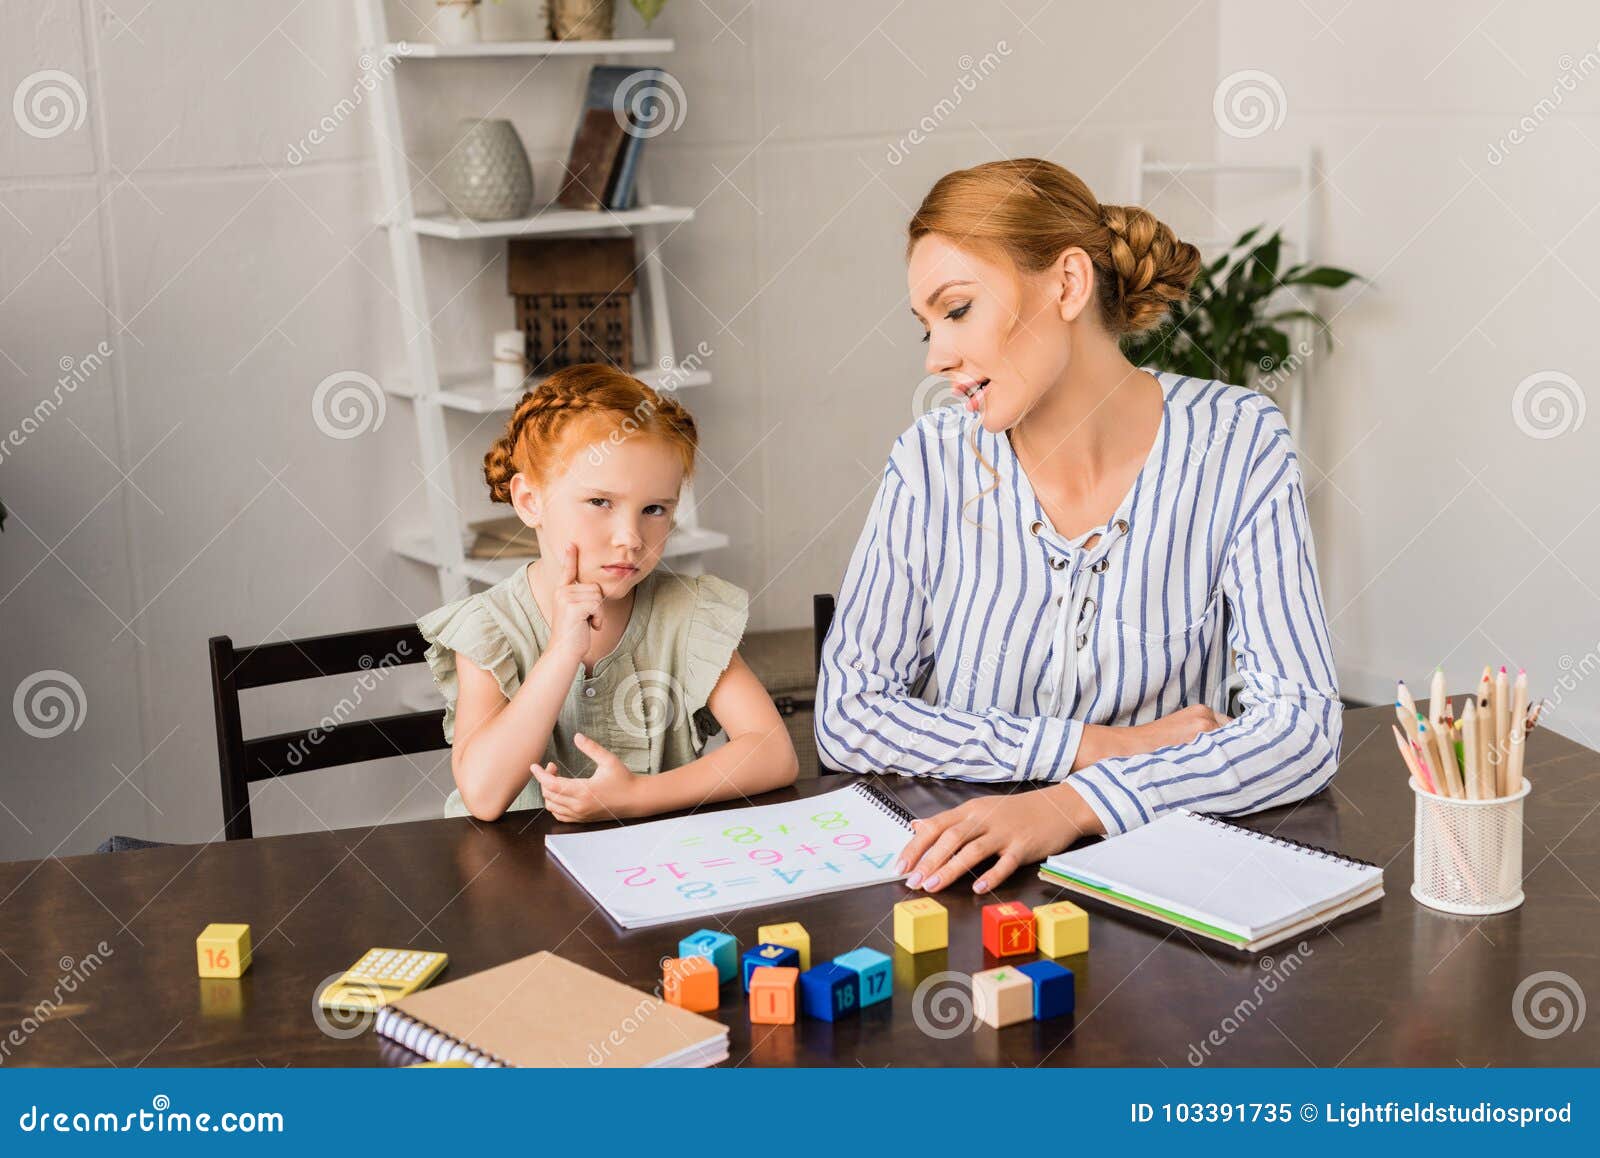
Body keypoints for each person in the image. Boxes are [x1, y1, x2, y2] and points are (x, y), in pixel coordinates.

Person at [815, 158, 1340, 894]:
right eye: (926, 326)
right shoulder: (930, 462)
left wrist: (1074, 804)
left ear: (1066, 283)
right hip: (966, 879)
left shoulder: (1236, 442)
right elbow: (848, 715)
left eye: (958, 309)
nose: (938, 358)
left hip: (1164, 890)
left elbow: (1300, 726)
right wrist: (1088, 748)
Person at [418, 364, 798, 823]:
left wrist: (637, 795)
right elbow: (483, 794)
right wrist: (561, 653)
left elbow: (774, 753)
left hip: (650, 871)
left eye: (654, 509)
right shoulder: (489, 625)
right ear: (529, 501)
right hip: (521, 881)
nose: (631, 537)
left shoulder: (688, 612)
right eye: (600, 502)